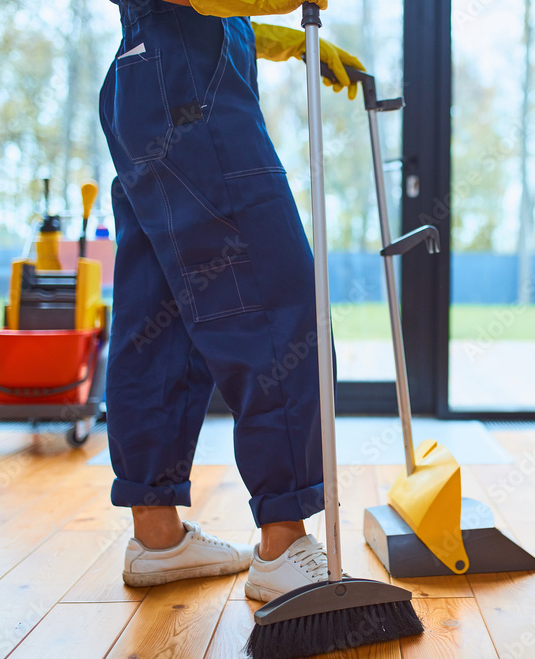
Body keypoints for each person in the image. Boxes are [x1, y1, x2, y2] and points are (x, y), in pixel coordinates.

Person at [98, 0, 362, 601]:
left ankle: (157, 536)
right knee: (277, 299)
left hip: (148, 88)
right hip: (190, 94)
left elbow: (205, 10)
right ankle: (283, 539)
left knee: (157, 319)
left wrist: (287, 41)